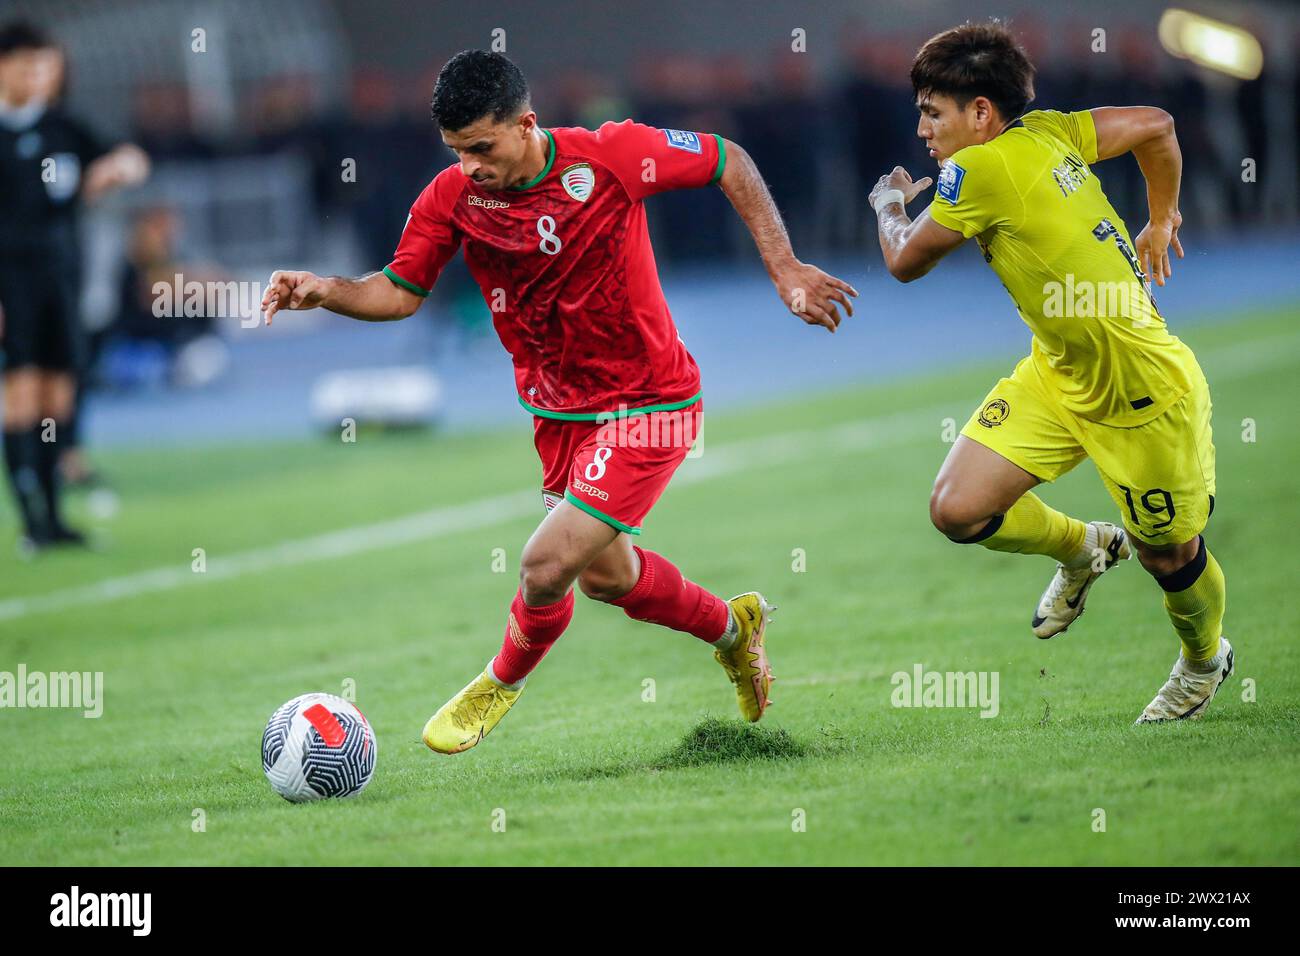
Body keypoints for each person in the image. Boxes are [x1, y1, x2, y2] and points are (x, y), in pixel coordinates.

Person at [262, 50, 857, 752]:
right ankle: (734, 629)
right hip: (558, 414)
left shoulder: (613, 156)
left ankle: (499, 681)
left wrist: (783, 265)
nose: (471, 165)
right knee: (606, 577)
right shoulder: (452, 196)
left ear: (526, 124)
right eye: (456, 152)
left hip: (650, 403)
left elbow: (729, 160)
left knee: (546, 566)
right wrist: (326, 290)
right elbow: (398, 291)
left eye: (482, 147)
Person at [868, 21, 1230, 723]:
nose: (922, 129)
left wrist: (886, 205)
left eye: (932, 112)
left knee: (1172, 559)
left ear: (981, 112)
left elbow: (904, 261)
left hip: (1142, 389)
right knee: (959, 509)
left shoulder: (982, 168)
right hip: (1059, 374)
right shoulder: (1053, 132)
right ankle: (1087, 547)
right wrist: (1162, 219)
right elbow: (1157, 126)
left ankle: (1204, 661)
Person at [0, 20, 148, 550]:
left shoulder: (64, 127)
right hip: (9, 286)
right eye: (27, 65)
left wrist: (117, 169)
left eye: (44, 64)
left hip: (61, 282)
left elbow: (129, 158)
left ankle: (55, 519)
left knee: (59, 398)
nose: (39, 75)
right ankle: (32, 523)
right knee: (21, 394)